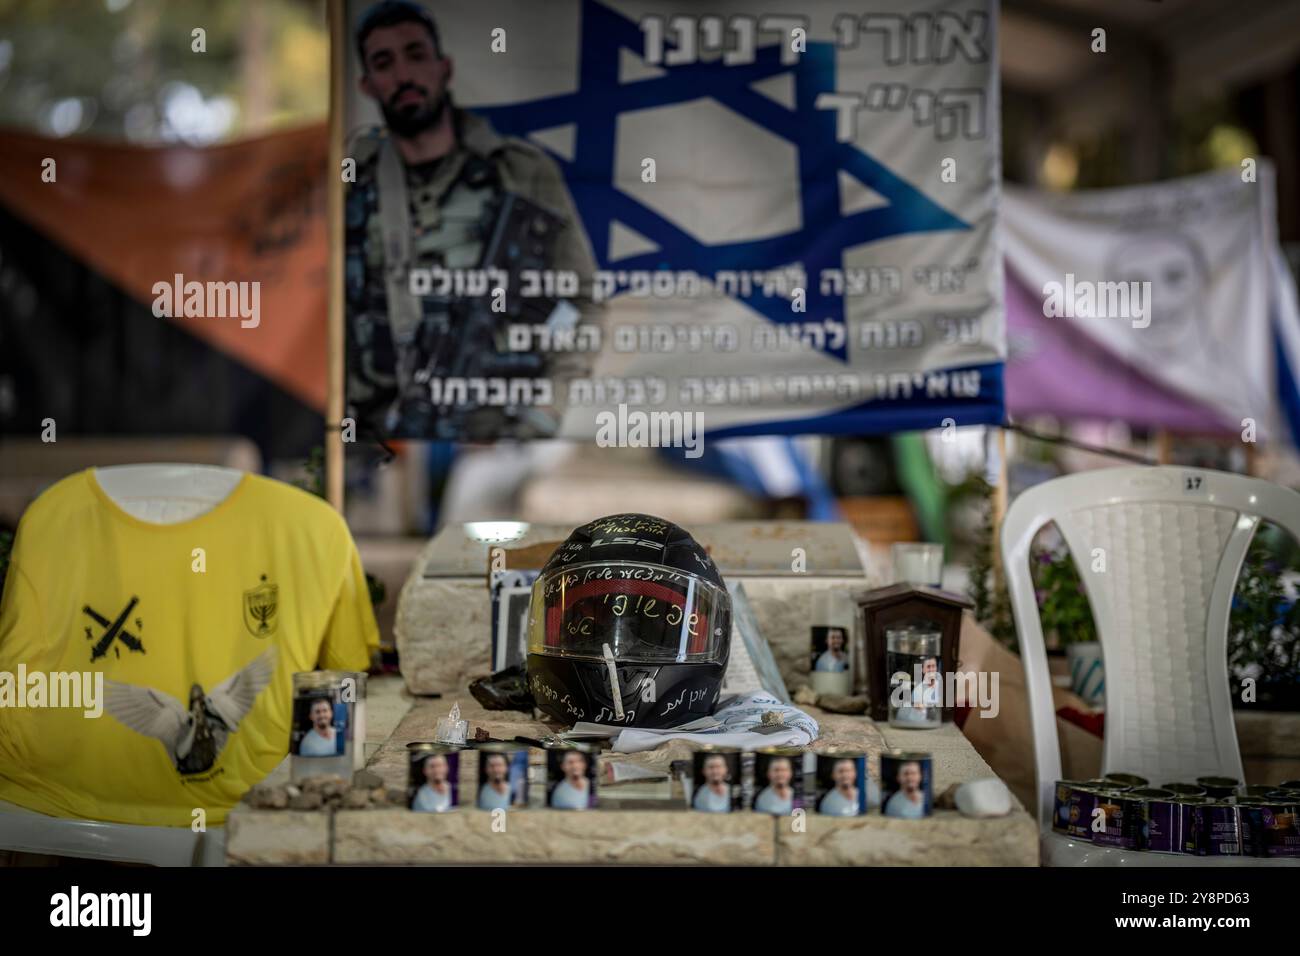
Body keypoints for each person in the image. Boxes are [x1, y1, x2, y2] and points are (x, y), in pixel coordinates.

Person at [346, 0, 599, 440]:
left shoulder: (520, 172)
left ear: (445, 67)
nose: (404, 75)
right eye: (384, 63)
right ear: (367, 85)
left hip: (502, 432)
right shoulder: (351, 186)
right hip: (386, 438)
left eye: (417, 55)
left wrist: (547, 408)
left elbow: (580, 301)